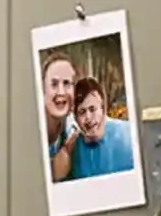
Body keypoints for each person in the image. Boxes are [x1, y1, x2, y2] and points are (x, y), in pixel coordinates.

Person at [63, 76, 135, 179]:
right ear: (75, 117)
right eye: (82, 112)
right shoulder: (73, 149)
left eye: (92, 109)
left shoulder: (129, 135)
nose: (88, 117)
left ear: (102, 108)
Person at [43, 52, 81, 181]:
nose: (61, 92)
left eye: (67, 83)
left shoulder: (72, 128)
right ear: (43, 91)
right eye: (54, 84)